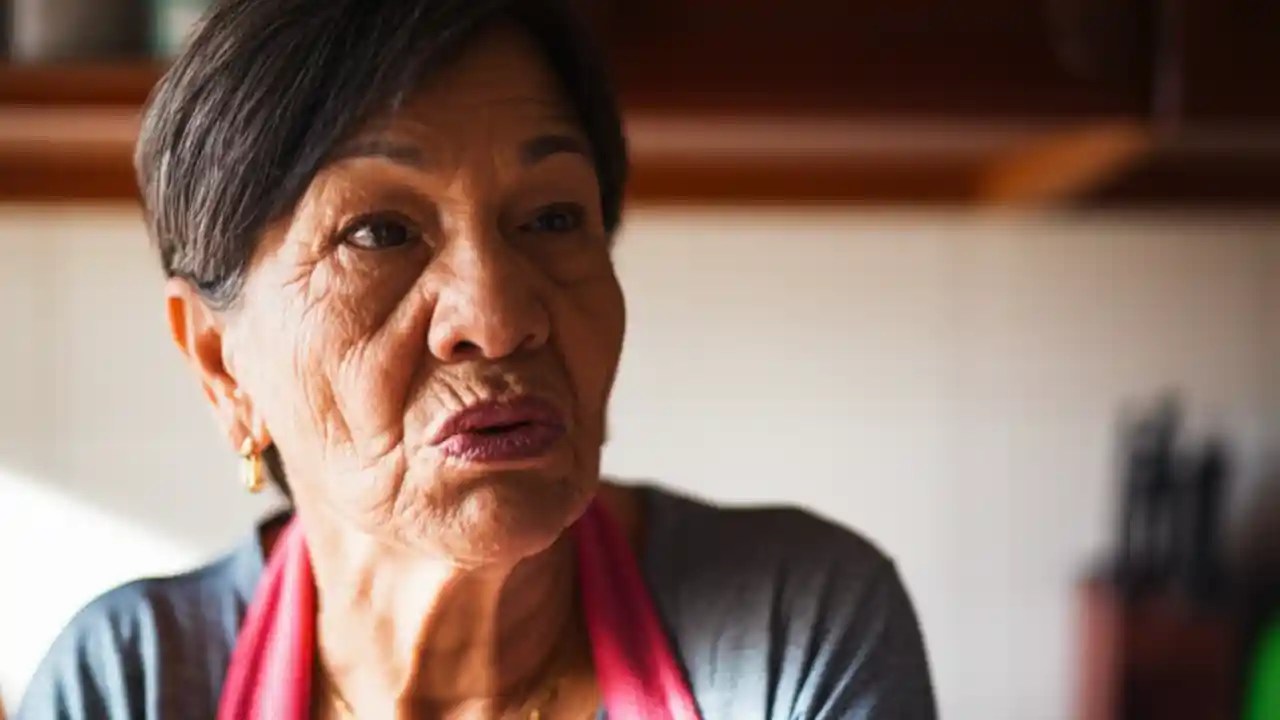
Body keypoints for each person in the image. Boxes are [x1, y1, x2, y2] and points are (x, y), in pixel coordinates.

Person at [17, 1, 935, 718]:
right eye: (379, 232)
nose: (497, 318)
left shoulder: (788, 631)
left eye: (551, 219)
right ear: (221, 365)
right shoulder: (130, 682)